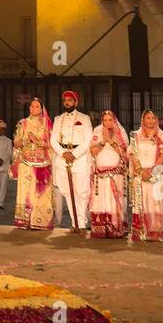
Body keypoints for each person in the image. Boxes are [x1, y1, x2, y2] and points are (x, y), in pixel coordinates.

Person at [11, 98, 55, 231]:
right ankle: (24, 220)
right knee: (26, 192)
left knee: (41, 193)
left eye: (37, 106)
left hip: (43, 164)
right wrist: (24, 141)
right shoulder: (22, 123)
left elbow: (52, 144)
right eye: (32, 106)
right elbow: (16, 142)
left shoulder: (47, 125)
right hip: (26, 163)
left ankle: (40, 222)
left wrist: (38, 142)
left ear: (41, 109)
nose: (34, 109)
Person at [51, 90, 92, 232]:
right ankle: (74, 223)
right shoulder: (58, 119)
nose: (67, 102)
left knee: (81, 192)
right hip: (63, 158)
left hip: (79, 158)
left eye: (70, 100)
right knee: (67, 192)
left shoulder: (84, 118)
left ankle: (82, 222)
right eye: (65, 100)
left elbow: (88, 140)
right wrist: (63, 153)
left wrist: (74, 154)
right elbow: (53, 140)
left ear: (76, 102)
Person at [128, 110, 163, 242]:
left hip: (156, 174)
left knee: (155, 203)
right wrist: (141, 170)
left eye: (153, 118)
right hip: (140, 174)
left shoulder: (160, 135)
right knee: (142, 203)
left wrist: (152, 171)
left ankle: (156, 232)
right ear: (143, 120)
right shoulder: (135, 135)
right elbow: (132, 154)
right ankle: (141, 232)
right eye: (148, 118)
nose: (151, 120)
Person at [88, 110, 130, 239]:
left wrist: (111, 141)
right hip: (100, 173)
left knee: (114, 200)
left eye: (110, 120)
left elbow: (124, 153)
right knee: (101, 200)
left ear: (114, 120)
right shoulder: (97, 130)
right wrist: (103, 141)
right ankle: (100, 228)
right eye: (105, 120)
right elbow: (92, 151)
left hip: (116, 172)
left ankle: (116, 228)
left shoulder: (120, 132)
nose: (107, 123)